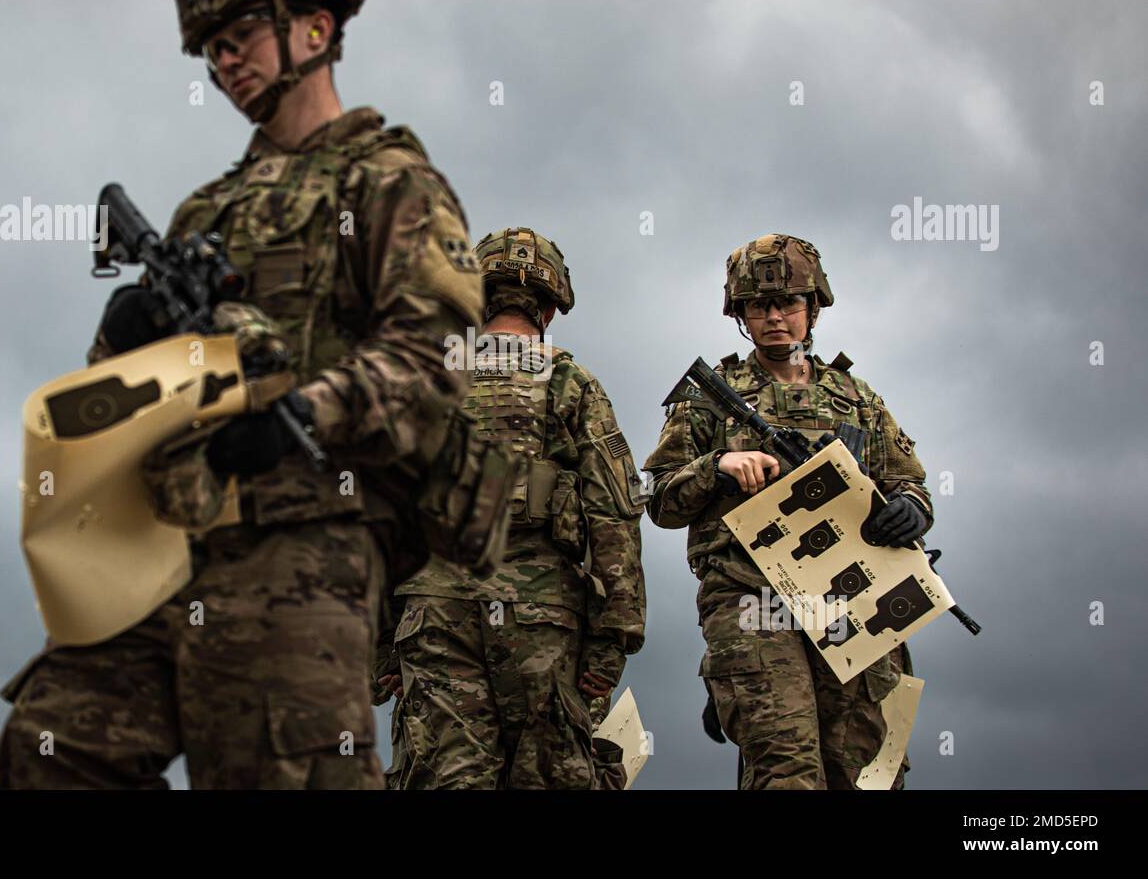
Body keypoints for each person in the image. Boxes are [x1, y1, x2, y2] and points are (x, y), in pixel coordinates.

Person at [0, 0, 483, 789]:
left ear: (315, 30)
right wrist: (128, 327)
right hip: (166, 545)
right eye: (212, 50)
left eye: (242, 36)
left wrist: (304, 413)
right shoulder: (204, 212)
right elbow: (124, 392)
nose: (226, 64)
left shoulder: (390, 181)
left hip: (304, 544)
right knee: (55, 747)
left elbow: (433, 357)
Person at [643, 234, 932, 789]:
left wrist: (910, 510)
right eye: (758, 305)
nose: (774, 317)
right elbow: (657, 498)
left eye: (788, 303)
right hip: (752, 597)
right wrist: (718, 466)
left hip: (852, 598)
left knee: (866, 771)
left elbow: (908, 481)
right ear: (741, 314)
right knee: (786, 768)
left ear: (813, 307)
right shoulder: (709, 395)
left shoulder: (855, 397)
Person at [376, 228, 647, 789]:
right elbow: (615, 516)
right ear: (550, 307)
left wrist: (381, 648)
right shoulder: (572, 382)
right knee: (549, 777)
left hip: (433, 614)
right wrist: (614, 639)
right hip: (542, 616)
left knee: (447, 776)